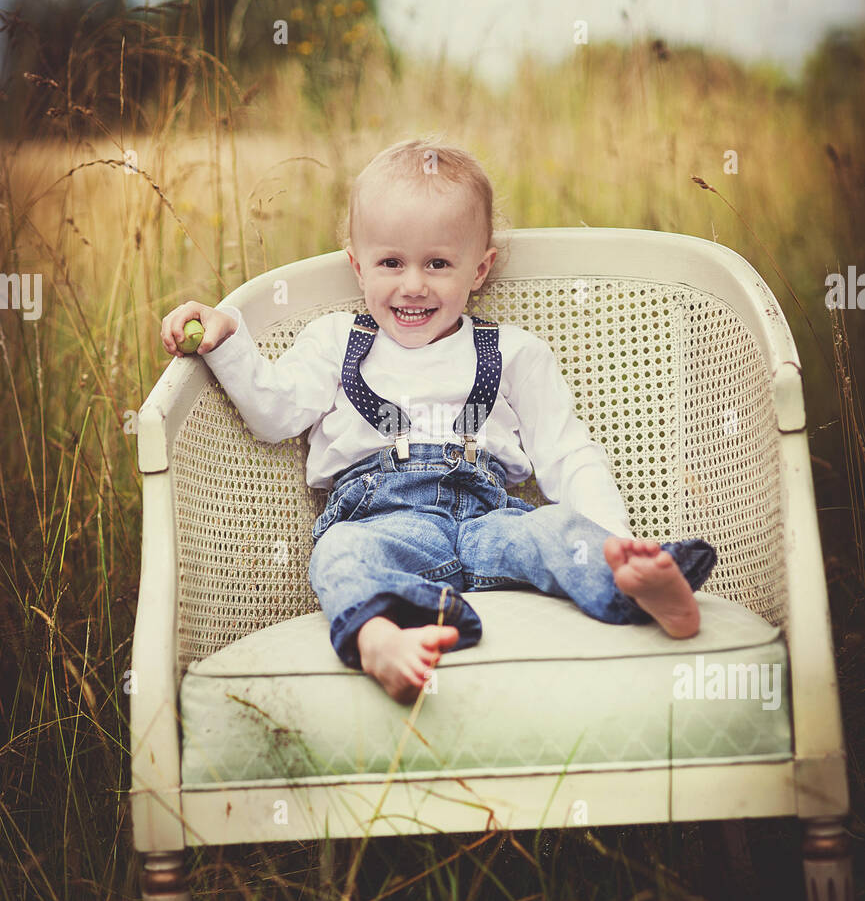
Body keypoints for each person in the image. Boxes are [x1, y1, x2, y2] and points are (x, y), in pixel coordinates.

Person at [160, 139, 717, 703]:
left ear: (480, 269)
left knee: (553, 531)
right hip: (383, 524)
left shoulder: (513, 353)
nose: (413, 285)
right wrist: (225, 338)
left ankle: (637, 590)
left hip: (489, 525)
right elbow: (274, 414)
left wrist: (612, 540)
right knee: (339, 553)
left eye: (438, 263)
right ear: (358, 265)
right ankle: (377, 638)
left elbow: (568, 455)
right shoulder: (335, 342)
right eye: (391, 262)